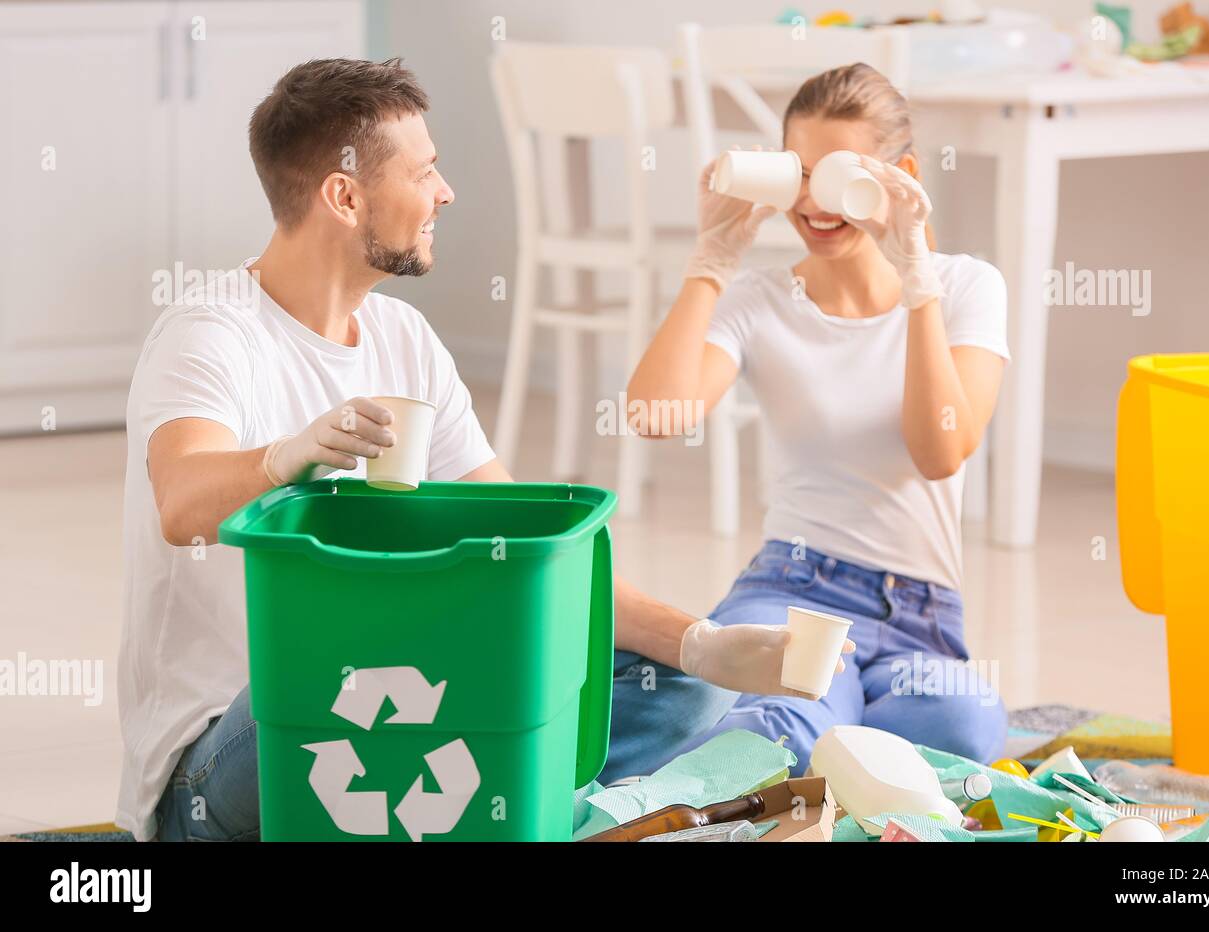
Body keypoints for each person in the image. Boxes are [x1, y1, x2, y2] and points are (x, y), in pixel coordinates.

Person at [117, 58, 850, 842]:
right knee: (338, 689)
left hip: (410, 697)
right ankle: (540, 811)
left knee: (683, 688)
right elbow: (182, 504)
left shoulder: (405, 339)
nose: (445, 192)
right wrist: (283, 459)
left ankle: (509, 808)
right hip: (237, 750)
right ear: (344, 194)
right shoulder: (211, 331)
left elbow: (530, 549)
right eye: (425, 171)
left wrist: (700, 644)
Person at [626, 63, 1009, 774]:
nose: (815, 202)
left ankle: (829, 740)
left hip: (920, 619)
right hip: (794, 590)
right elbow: (654, 414)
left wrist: (917, 280)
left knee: (962, 728)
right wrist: (711, 261)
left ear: (903, 176)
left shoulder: (964, 287)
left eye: (839, 176)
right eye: (798, 174)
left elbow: (940, 451)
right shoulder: (763, 300)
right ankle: (761, 764)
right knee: (779, 725)